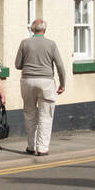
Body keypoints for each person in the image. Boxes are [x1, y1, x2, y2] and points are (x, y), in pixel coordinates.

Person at [14, 18, 67, 156]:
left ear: (32, 29)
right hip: (46, 82)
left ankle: (31, 146)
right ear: (45, 30)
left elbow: (18, 65)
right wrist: (62, 83)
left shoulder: (24, 43)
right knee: (46, 115)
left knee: (29, 113)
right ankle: (42, 148)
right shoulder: (51, 44)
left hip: (28, 81)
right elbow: (60, 66)